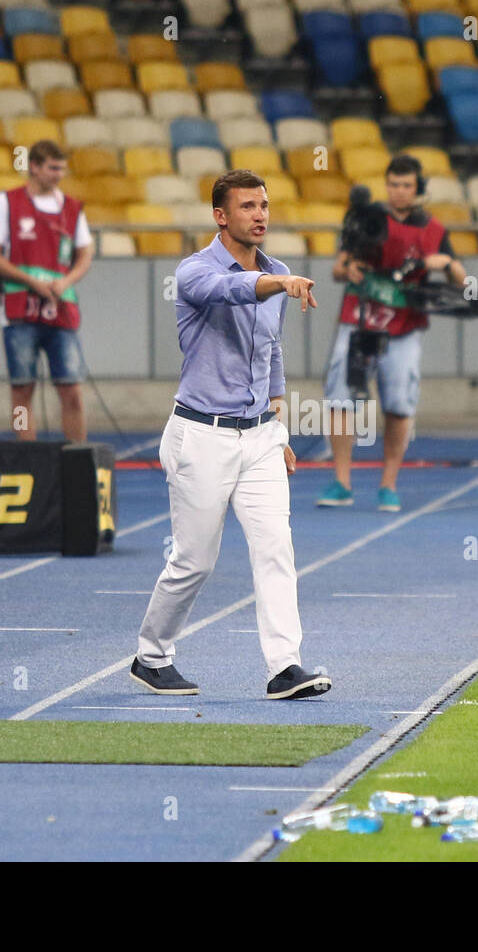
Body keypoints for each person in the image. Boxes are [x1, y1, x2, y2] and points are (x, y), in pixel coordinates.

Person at [131, 169, 332, 700]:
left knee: (276, 548)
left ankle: (284, 667)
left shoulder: (279, 272)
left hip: (260, 436)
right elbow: (231, 291)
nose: (259, 215)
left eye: (264, 205)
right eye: (247, 207)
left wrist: (280, 427)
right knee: (194, 560)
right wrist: (279, 284)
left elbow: (271, 352)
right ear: (221, 216)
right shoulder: (194, 272)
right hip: (201, 435)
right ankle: (152, 655)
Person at [316, 154, 466, 512]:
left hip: (404, 325)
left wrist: (444, 263)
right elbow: (339, 267)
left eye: (406, 186)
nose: (399, 192)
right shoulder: (367, 219)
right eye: (394, 184)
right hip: (359, 318)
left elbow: (461, 279)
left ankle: (388, 485)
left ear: (419, 190)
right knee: (340, 397)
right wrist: (348, 270)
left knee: (399, 404)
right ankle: (341, 481)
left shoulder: (433, 230)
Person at [0, 139, 93, 443]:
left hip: (61, 310)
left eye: (62, 169)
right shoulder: (7, 202)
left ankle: (77, 456)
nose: (58, 175)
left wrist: (66, 281)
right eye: (53, 168)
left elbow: (85, 253)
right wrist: (31, 282)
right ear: (34, 167)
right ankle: (27, 456)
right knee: (22, 389)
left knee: (71, 388)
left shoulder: (72, 209)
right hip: (19, 311)